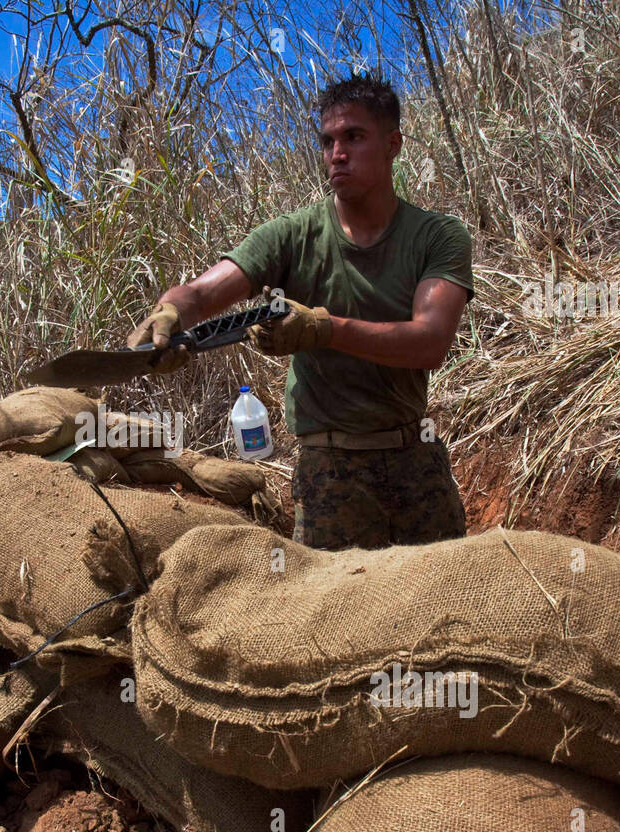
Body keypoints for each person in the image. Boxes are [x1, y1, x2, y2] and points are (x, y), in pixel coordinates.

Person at [126, 72, 475, 550]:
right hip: (328, 473)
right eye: (327, 141)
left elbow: (429, 342)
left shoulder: (438, 236)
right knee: (332, 616)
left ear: (392, 144)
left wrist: (322, 329)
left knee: (448, 600)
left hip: (415, 458)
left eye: (354, 136)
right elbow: (204, 293)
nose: (337, 153)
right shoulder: (291, 236)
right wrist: (169, 313)